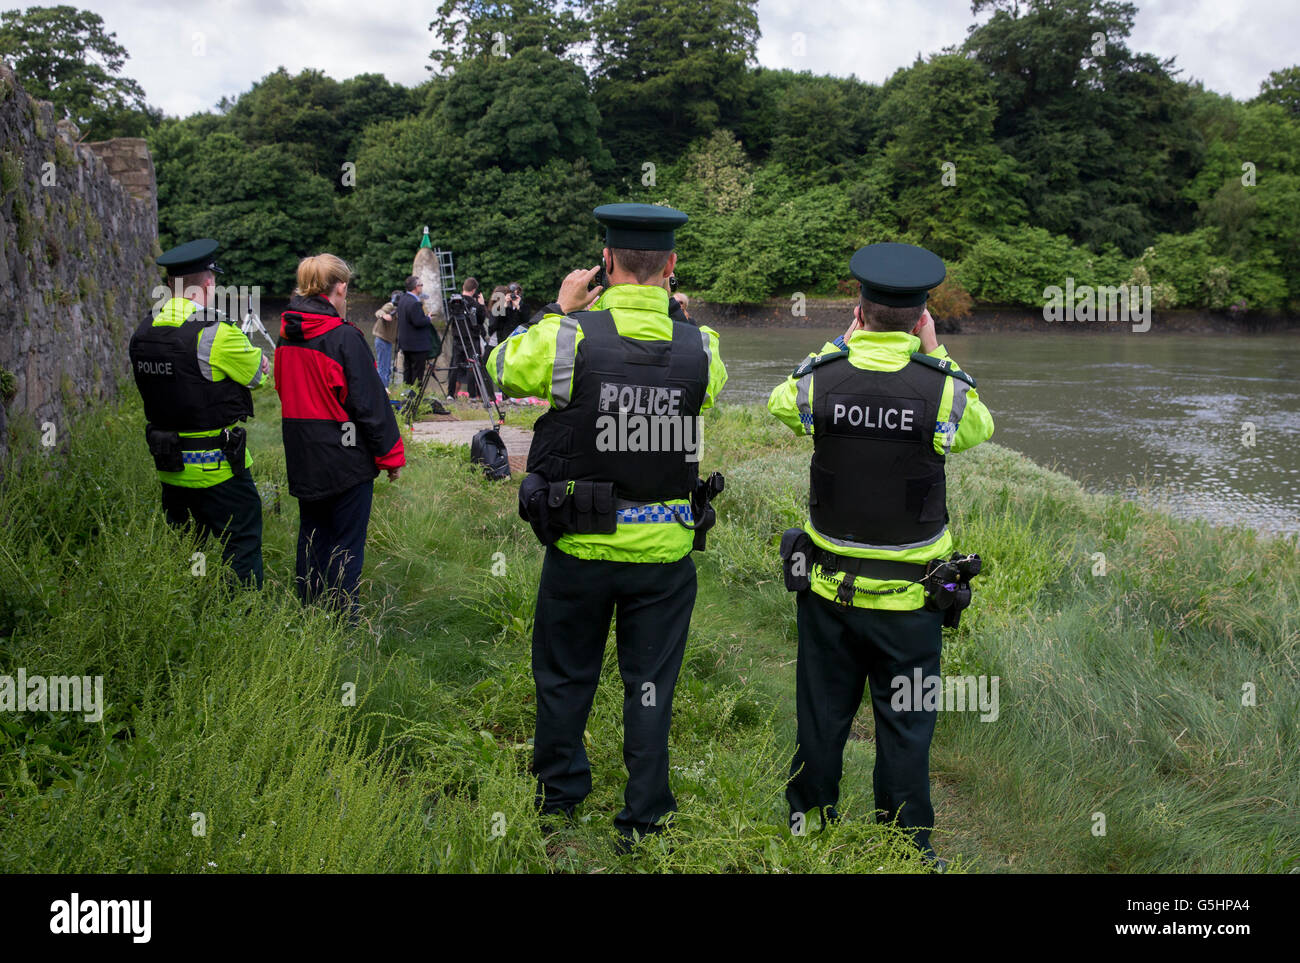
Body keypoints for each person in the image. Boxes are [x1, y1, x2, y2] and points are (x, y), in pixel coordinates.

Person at [488, 203, 728, 852]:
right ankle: (645, 821)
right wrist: (671, 320)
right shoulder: (701, 346)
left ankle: (558, 805)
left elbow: (502, 368)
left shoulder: (568, 336)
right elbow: (700, 390)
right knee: (650, 686)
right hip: (665, 552)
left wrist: (561, 310)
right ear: (672, 267)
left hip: (580, 545)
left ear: (605, 263)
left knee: (566, 677)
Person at [767, 242, 994, 871]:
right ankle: (907, 844)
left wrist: (839, 347)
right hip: (912, 602)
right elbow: (980, 428)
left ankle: (808, 818)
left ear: (858, 310)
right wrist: (937, 354)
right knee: (906, 722)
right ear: (923, 315)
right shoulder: (944, 391)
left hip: (830, 594)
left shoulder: (819, 380)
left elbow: (779, 402)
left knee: (822, 712)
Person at [128, 238, 269, 587]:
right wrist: (260, 364)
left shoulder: (143, 330)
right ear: (208, 283)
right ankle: (243, 619)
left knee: (190, 549)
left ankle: (194, 604)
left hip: (170, 468)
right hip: (218, 469)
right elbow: (259, 377)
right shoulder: (215, 332)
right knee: (241, 544)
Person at [274, 254, 406, 614]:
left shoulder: (285, 336)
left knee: (312, 535)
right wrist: (391, 457)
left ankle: (309, 613)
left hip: (303, 452)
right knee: (346, 542)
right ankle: (343, 620)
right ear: (341, 287)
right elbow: (370, 404)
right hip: (345, 457)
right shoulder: (344, 337)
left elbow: (282, 388)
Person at [448, 276, 488, 400]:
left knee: (455, 365)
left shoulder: (454, 302)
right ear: (474, 290)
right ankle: (472, 395)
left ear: (463, 288)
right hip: (472, 337)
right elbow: (480, 320)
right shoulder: (474, 304)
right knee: (473, 365)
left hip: (457, 336)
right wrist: (481, 305)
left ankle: (450, 394)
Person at [396, 275, 437, 388]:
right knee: (417, 373)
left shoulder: (403, 299)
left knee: (407, 370)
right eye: (421, 285)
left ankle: (406, 393)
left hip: (406, 343)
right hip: (417, 345)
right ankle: (415, 397)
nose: (422, 287)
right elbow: (418, 321)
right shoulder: (414, 303)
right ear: (415, 287)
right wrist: (428, 318)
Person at [372, 289, 401, 388]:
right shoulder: (390, 306)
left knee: (387, 368)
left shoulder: (399, 309)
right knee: (383, 368)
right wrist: (384, 315)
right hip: (382, 340)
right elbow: (379, 311)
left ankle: (385, 389)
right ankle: (382, 391)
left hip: (388, 341)